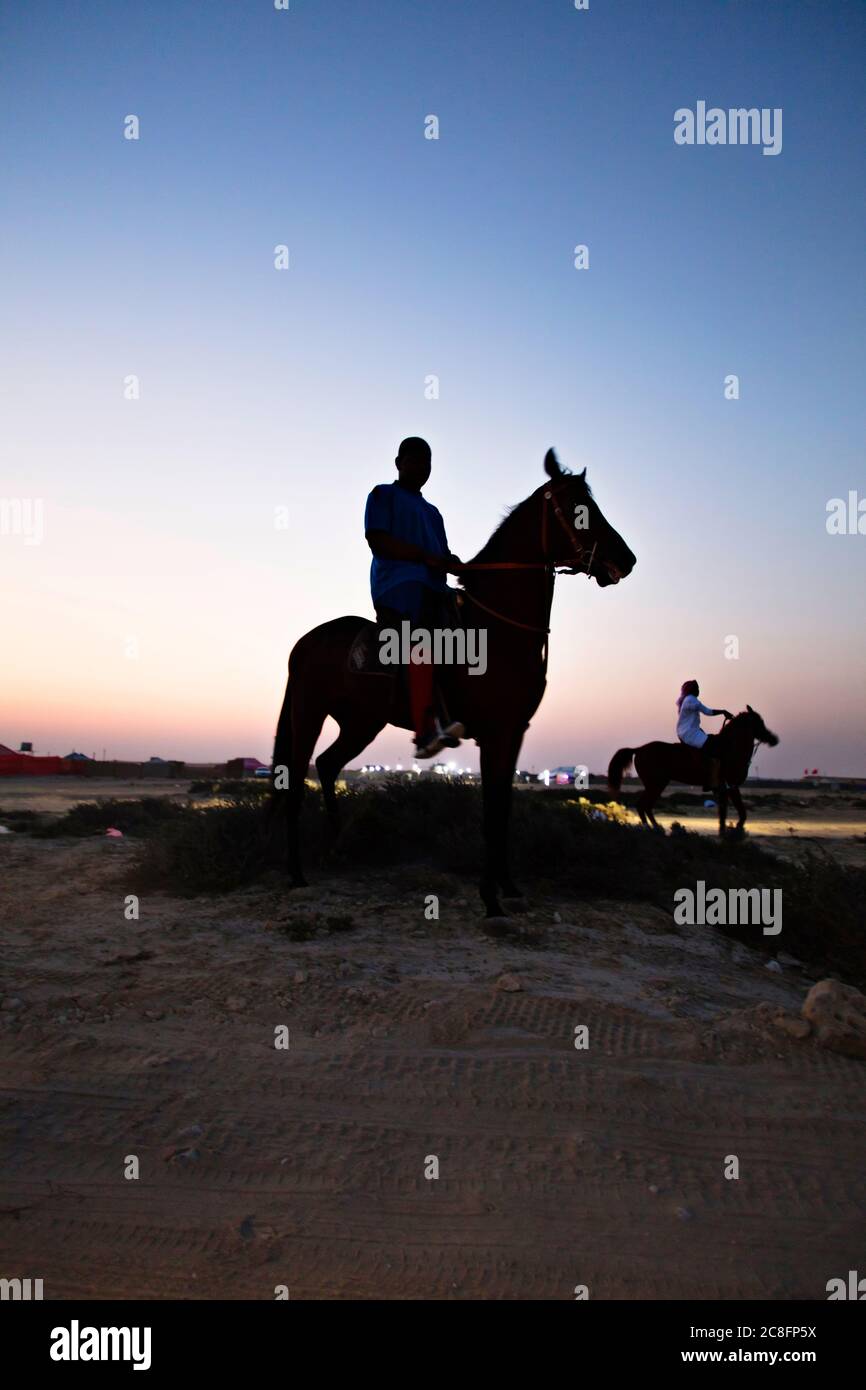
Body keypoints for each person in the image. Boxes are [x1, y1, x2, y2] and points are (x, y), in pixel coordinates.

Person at [365, 437, 464, 758]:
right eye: (415, 460)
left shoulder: (434, 513)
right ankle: (424, 729)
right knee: (424, 636)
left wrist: (453, 562)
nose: (422, 467)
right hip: (398, 584)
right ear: (399, 463)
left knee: (471, 625)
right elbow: (378, 541)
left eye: (428, 462)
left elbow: (441, 555)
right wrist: (426, 557)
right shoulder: (382, 494)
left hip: (435, 587)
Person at [676, 680, 733, 791]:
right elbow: (707, 711)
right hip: (689, 733)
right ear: (692, 690)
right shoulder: (691, 700)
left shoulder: (688, 700)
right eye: (697, 688)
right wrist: (723, 712)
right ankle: (710, 781)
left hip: (690, 731)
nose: (699, 691)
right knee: (713, 748)